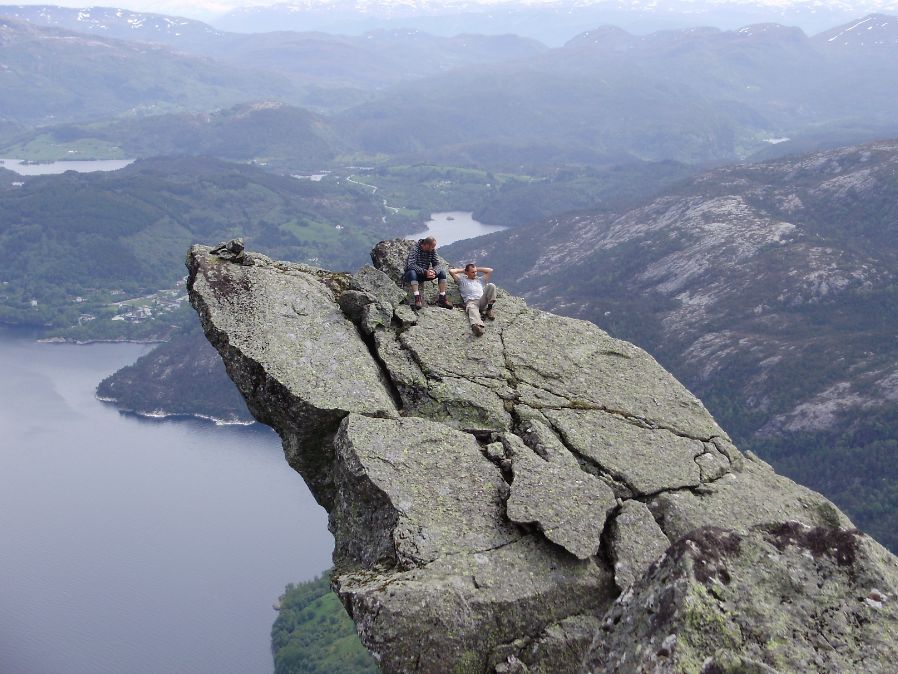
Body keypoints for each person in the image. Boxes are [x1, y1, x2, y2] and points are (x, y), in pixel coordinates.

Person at [404, 236, 452, 310]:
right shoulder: (415, 250)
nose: (433, 248)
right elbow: (411, 265)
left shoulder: (432, 251)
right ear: (427, 246)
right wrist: (425, 272)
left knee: (442, 272)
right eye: (432, 247)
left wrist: (434, 271)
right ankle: (417, 298)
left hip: (425, 274)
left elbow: (437, 264)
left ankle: (442, 297)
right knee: (412, 273)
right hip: (412, 274)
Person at [449, 264, 496, 336]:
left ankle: (489, 309)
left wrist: (477, 269)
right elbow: (451, 271)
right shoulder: (462, 281)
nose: (475, 274)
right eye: (472, 272)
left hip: (481, 300)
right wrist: (462, 270)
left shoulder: (480, 280)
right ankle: (477, 326)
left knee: (491, 286)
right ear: (467, 272)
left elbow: (490, 270)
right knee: (472, 309)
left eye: (476, 272)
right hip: (471, 302)